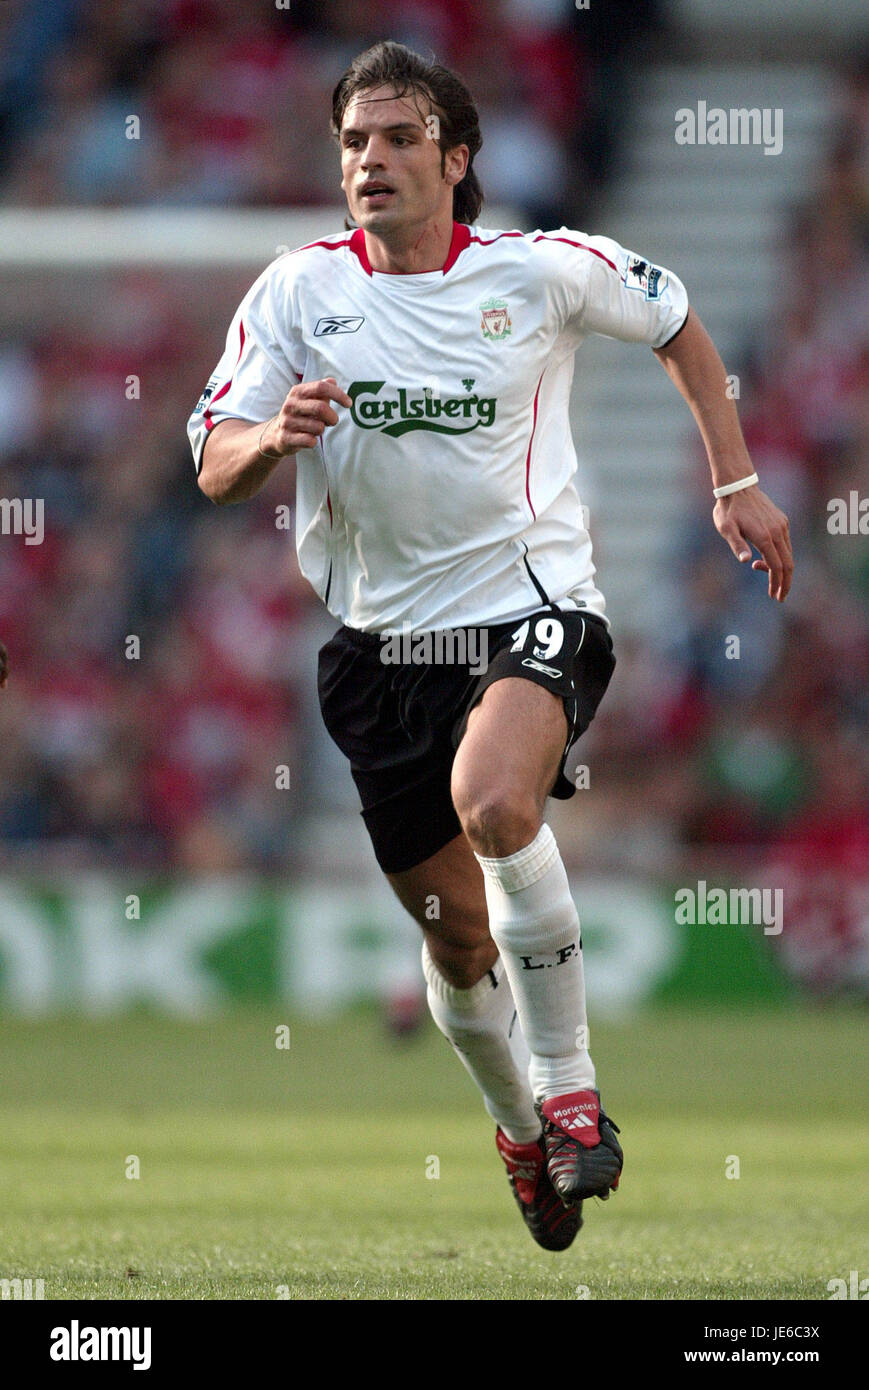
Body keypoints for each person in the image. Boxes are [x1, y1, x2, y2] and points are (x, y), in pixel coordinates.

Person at [187, 41, 793, 1251]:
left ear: (455, 159)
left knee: (496, 803)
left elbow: (675, 320)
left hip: (531, 607)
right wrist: (273, 440)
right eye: (355, 141)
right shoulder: (295, 294)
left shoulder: (541, 271)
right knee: (456, 942)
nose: (372, 159)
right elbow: (212, 463)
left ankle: (569, 1085)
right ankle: (521, 1128)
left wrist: (735, 478)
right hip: (376, 654)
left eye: (400, 137)